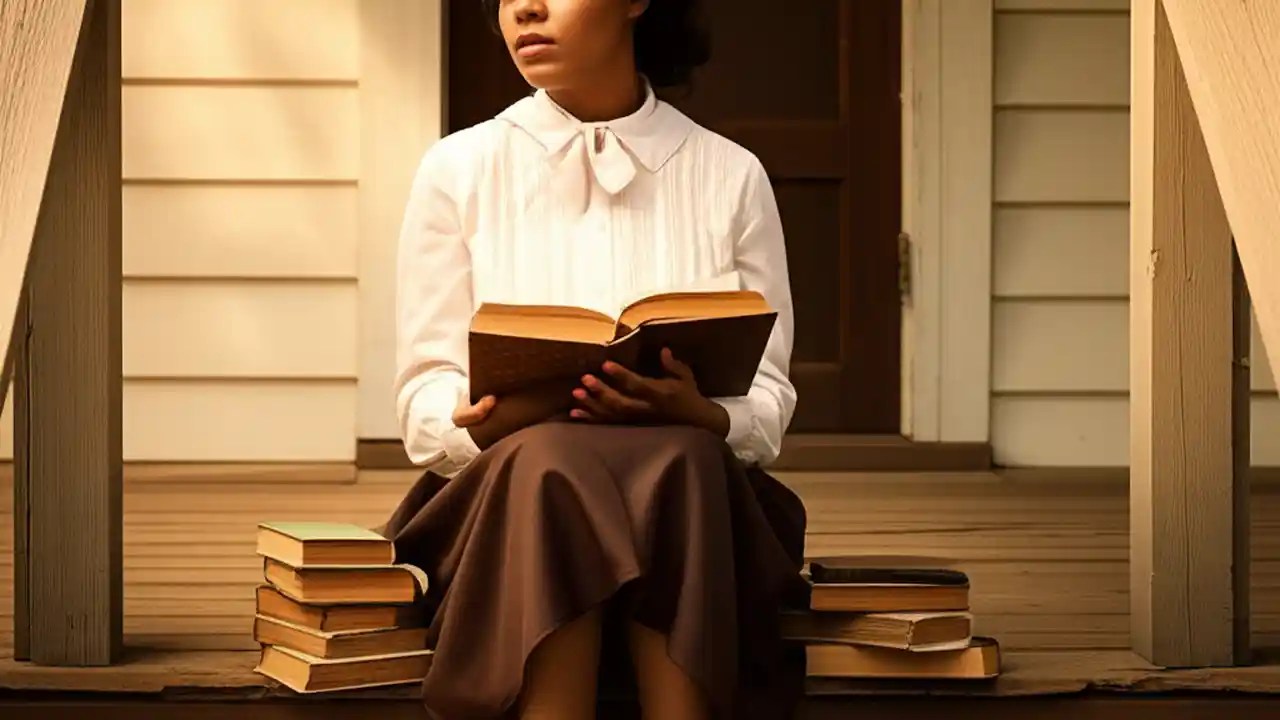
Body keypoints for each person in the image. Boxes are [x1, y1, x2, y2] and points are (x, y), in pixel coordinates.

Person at [381, 0, 809, 717]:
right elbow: (425, 401)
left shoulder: (730, 173)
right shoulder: (458, 167)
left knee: (685, 456)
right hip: (510, 511)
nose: (525, 8)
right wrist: (485, 423)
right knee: (552, 460)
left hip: (692, 508)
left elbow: (766, 401)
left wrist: (703, 415)